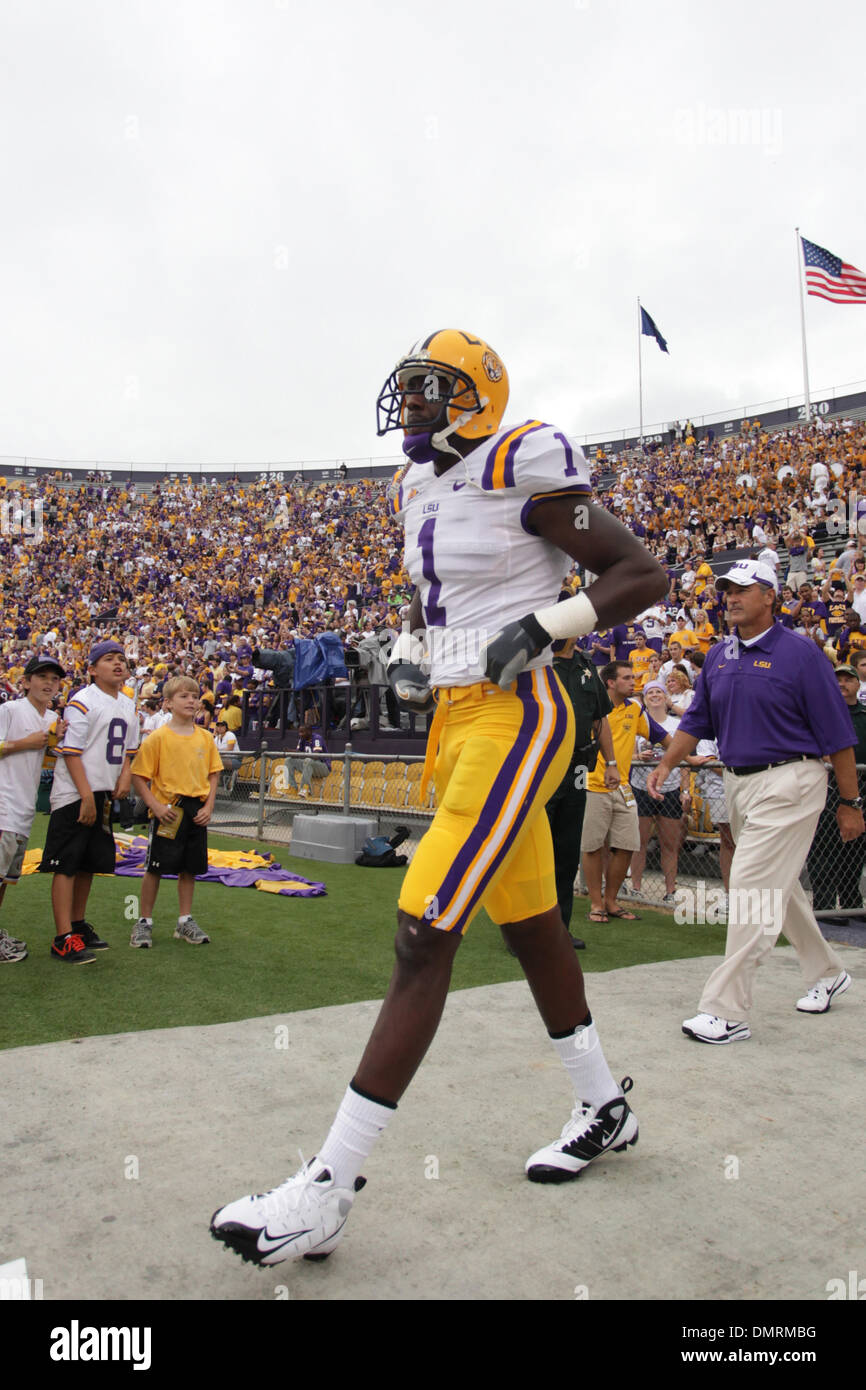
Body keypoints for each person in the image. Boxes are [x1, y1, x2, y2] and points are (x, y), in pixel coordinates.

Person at [210, 327, 668, 1265]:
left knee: (424, 930)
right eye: (408, 386)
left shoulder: (517, 460)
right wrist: (425, 655)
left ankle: (329, 1185)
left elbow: (640, 575)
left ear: (478, 396)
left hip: (520, 714)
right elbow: (444, 601)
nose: (410, 402)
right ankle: (603, 1106)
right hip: (456, 717)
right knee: (535, 925)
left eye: (429, 386)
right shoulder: (419, 484)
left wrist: (546, 624)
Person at [648, 559, 860, 1044]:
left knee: (750, 887)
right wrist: (667, 764)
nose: (731, 597)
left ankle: (726, 1009)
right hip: (739, 782)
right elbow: (695, 723)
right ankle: (827, 971)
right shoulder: (719, 655)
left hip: (792, 779)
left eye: (743, 589)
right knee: (777, 889)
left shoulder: (802, 654)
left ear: (770, 596)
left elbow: (839, 736)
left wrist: (851, 801)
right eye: (726, 590)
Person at [39, 641, 139, 963]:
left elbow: (129, 750)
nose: (118, 664)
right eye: (109, 659)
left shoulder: (127, 704)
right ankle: (62, 936)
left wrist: (124, 775)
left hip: (103, 792)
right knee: (67, 865)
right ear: (93, 669)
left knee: (89, 864)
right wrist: (85, 795)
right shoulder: (82, 701)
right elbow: (71, 752)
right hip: (76, 792)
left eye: (121, 659)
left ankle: (78, 925)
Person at [129, 675, 223, 948]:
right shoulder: (158, 738)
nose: (192, 701)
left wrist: (209, 806)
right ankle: (143, 920)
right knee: (155, 867)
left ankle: (185, 921)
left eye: (195, 696)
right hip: (168, 811)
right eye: (184, 696)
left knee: (189, 868)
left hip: (196, 809)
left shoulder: (205, 738)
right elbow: (139, 776)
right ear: (168, 703)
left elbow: (214, 774)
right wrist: (155, 806)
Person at [580, 662, 675, 921]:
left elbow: (662, 736)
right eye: (627, 678)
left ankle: (611, 902)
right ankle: (596, 903)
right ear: (610, 682)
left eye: (633, 677)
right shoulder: (592, 707)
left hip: (624, 787)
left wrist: (686, 755)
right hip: (592, 785)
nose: (633, 682)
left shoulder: (635, 708)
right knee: (592, 846)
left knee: (626, 845)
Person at [545, 634, 618, 948]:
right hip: (542, 767)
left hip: (576, 766)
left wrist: (611, 762)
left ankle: (559, 929)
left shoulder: (586, 664)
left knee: (566, 849)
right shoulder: (537, 664)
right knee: (537, 852)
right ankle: (526, 931)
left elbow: (600, 719)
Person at [0, 655, 65, 963]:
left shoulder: (52, 719)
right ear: (25, 682)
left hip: (23, 808)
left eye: (54, 678)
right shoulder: (10, 710)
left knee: (5, 879)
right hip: (3, 804)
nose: (49, 683)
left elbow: (48, 759)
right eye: (42, 676)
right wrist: (25, 743)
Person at [805, 665, 866, 912]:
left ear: (857, 684)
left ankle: (852, 901)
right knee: (823, 848)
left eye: (847, 679)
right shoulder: (820, 715)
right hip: (826, 787)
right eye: (837, 679)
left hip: (860, 788)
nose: (842, 683)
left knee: (856, 849)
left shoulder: (864, 716)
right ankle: (825, 903)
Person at [628, 680, 688, 904]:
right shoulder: (637, 722)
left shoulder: (676, 725)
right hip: (641, 786)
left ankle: (670, 890)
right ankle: (636, 888)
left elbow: (683, 759)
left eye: (658, 692)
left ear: (666, 697)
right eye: (650, 692)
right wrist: (638, 758)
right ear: (644, 698)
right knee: (639, 842)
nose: (654, 695)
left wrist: (685, 789)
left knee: (669, 844)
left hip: (669, 787)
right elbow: (629, 753)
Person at [294, 720, 330, 796]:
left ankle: (305, 789)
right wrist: (290, 752)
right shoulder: (302, 739)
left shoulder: (317, 738)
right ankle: (292, 786)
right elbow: (297, 753)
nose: (300, 734)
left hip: (323, 767)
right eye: (299, 732)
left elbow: (316, 756)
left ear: (309, 732)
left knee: (308, 760)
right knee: (289, 760)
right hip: (308, 765)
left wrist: (300, 754)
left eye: (302, 732)